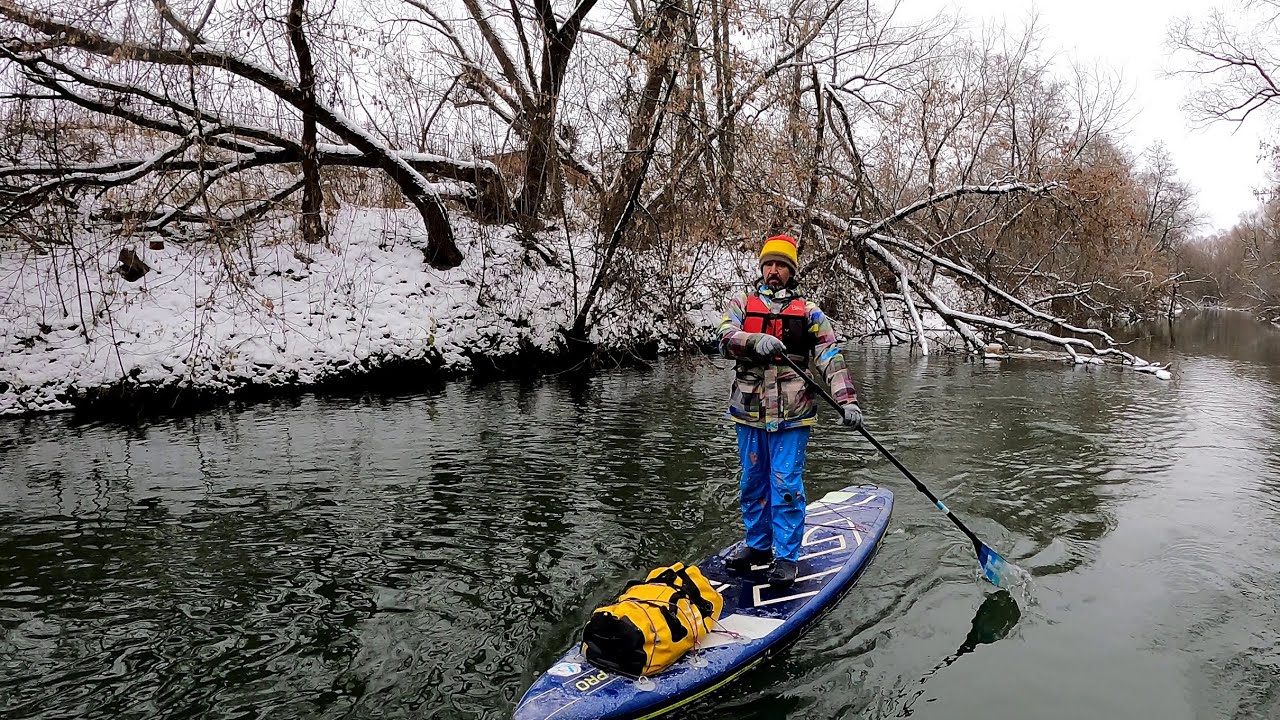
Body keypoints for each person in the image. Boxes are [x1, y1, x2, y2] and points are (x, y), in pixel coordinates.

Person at [717, 234, 862, 588]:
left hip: (793, 413)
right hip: (749, 411)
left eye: (781, 265)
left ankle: (786, 557)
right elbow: (723, 336)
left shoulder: (810, 313)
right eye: (768, 264)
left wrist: (847, 400)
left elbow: (830, 355)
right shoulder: (742, 302)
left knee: (785, 486)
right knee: (753, 482)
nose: (773, 271)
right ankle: (758, 547)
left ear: (791, 271)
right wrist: (754, 341)